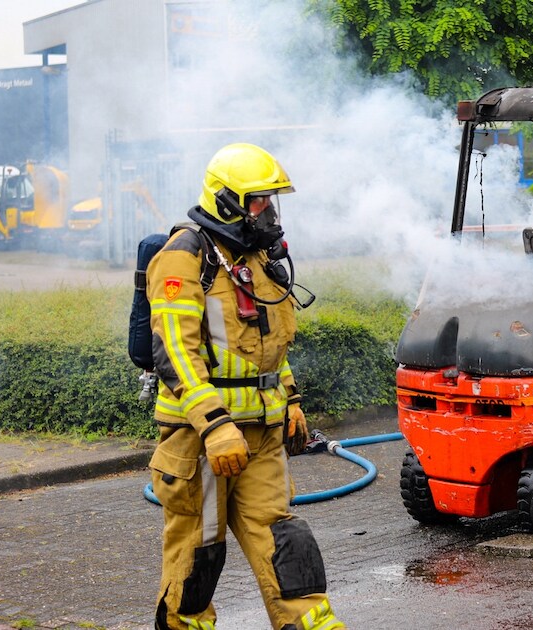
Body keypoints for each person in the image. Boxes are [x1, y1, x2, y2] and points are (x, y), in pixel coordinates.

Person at [146, 143, 342, 630]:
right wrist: (215, 426)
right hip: (201, 443)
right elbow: (175, 352)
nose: (270, 212)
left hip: (261, 435)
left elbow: (267, 344)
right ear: (228, 201)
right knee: (200, 553)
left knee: (285, 539)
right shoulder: (183, 258)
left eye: (272, 201)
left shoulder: (255, 259)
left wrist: (291, 397)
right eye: (260, 201)